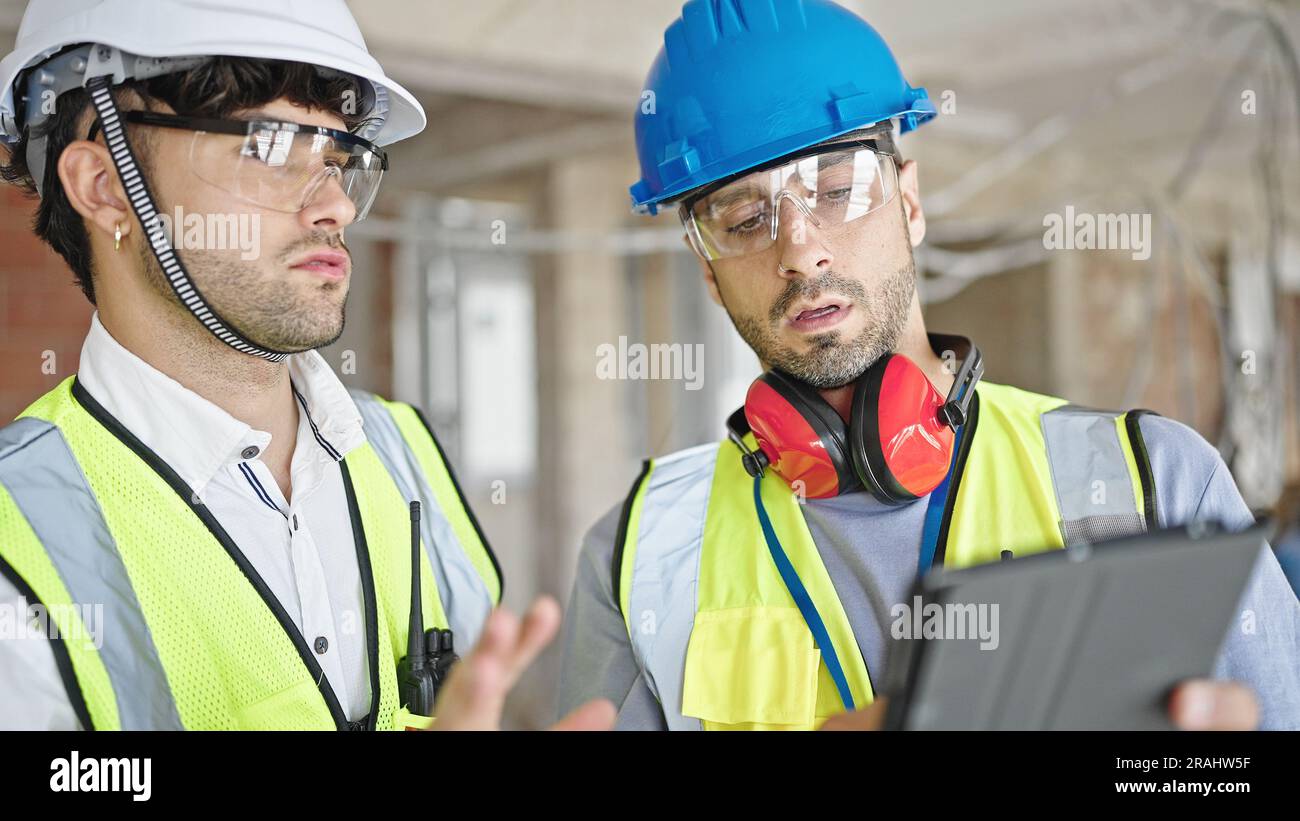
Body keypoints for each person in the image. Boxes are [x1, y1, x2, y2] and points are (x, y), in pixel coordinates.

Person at [558, 0, 1299, 730]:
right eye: (746, 219)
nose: (800, 251)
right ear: (709, 271)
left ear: (909, 203)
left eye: (838, 190)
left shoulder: (1156, 482)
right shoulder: (638, 553)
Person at [0, 0, 612, 731]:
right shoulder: (21, 540)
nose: (337, 207)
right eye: (267, 146)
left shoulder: (403, 450)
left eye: (337, 158)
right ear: (104, 187)